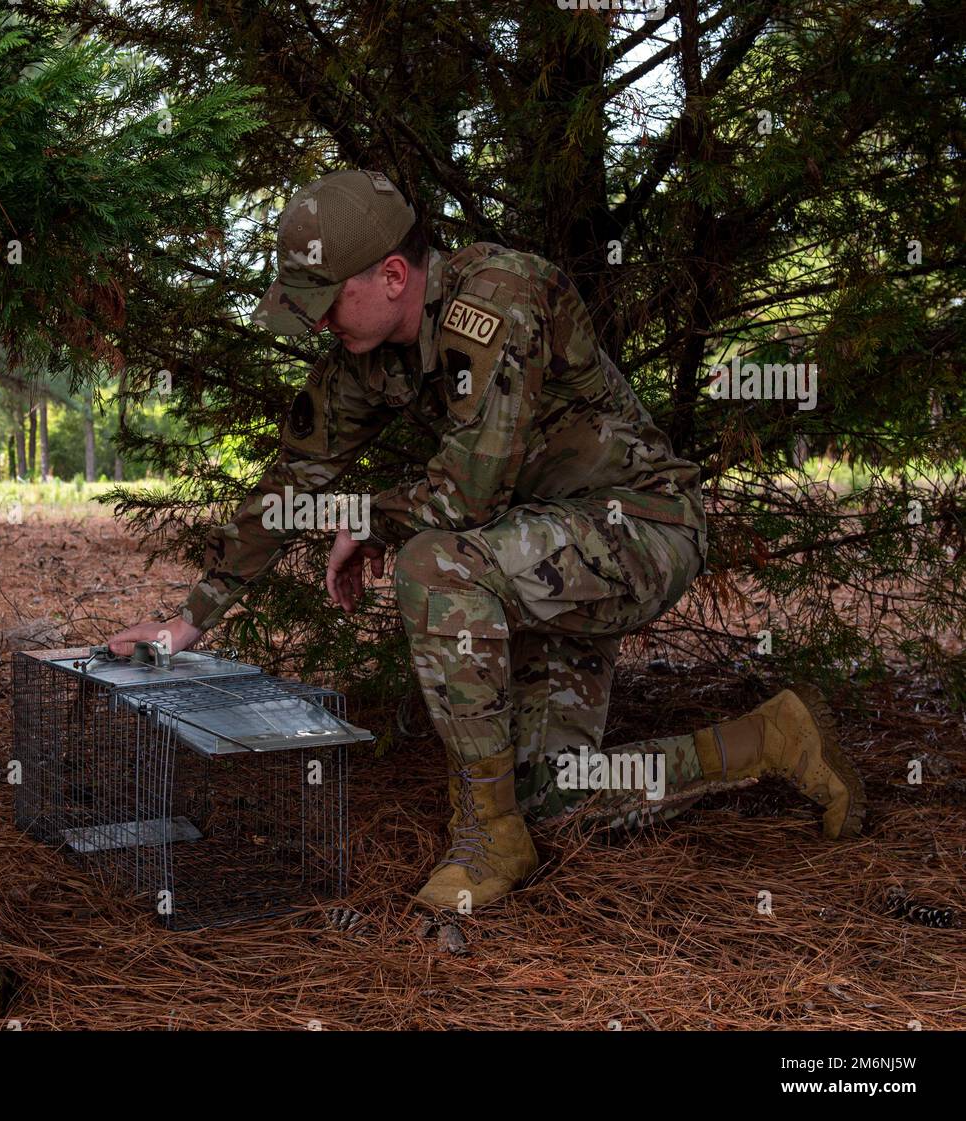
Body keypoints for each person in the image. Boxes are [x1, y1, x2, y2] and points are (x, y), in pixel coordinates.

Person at [108, 168, 866, 913]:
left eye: (326, 302)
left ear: (394, 276)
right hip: (536, 554)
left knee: (431, 567)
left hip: (638, 526)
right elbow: (292, 481)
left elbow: (467, 494)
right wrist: (186, 623)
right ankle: (772, 738)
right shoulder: (364, 362)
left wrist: (370, 519)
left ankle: (487, 835)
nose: (317, 324)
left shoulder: (498, 296)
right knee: (551, 796)